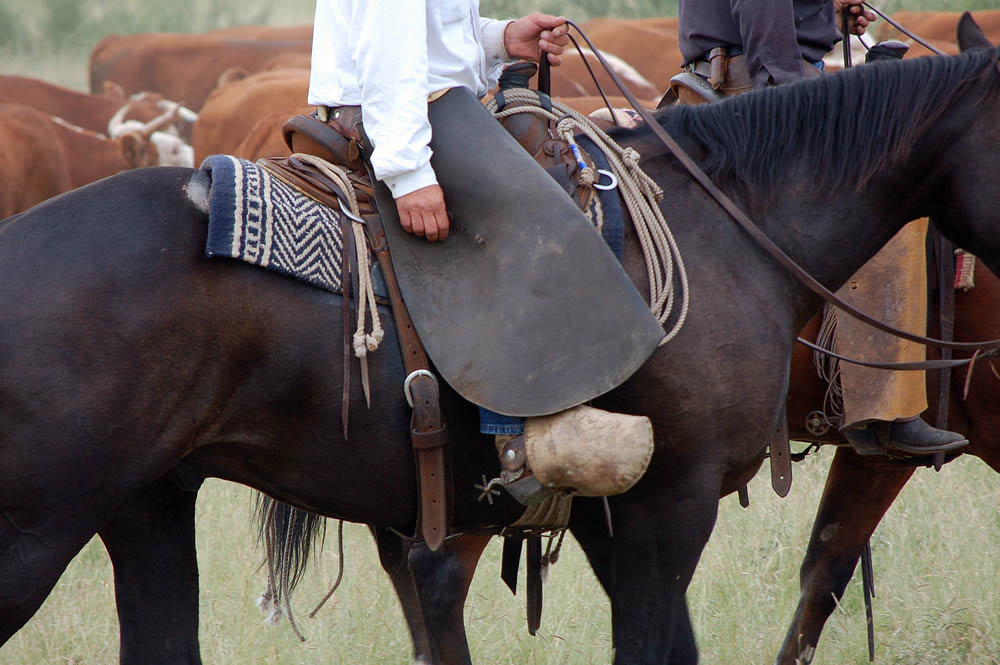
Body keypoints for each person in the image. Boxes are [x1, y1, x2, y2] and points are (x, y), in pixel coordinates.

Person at [306, 2, 660, 508]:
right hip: (408, 112)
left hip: (436, 103)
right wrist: (408, 172)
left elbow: (431, 29)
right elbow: (389, 47)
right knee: (531, 212)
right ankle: (517, 435)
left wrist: (500, 39)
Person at [675, 0, 968, 456]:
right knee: (888, 211)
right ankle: (883, 412)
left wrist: (821, 17)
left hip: (731, 80)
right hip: (756, 89)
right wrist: (802, 107)